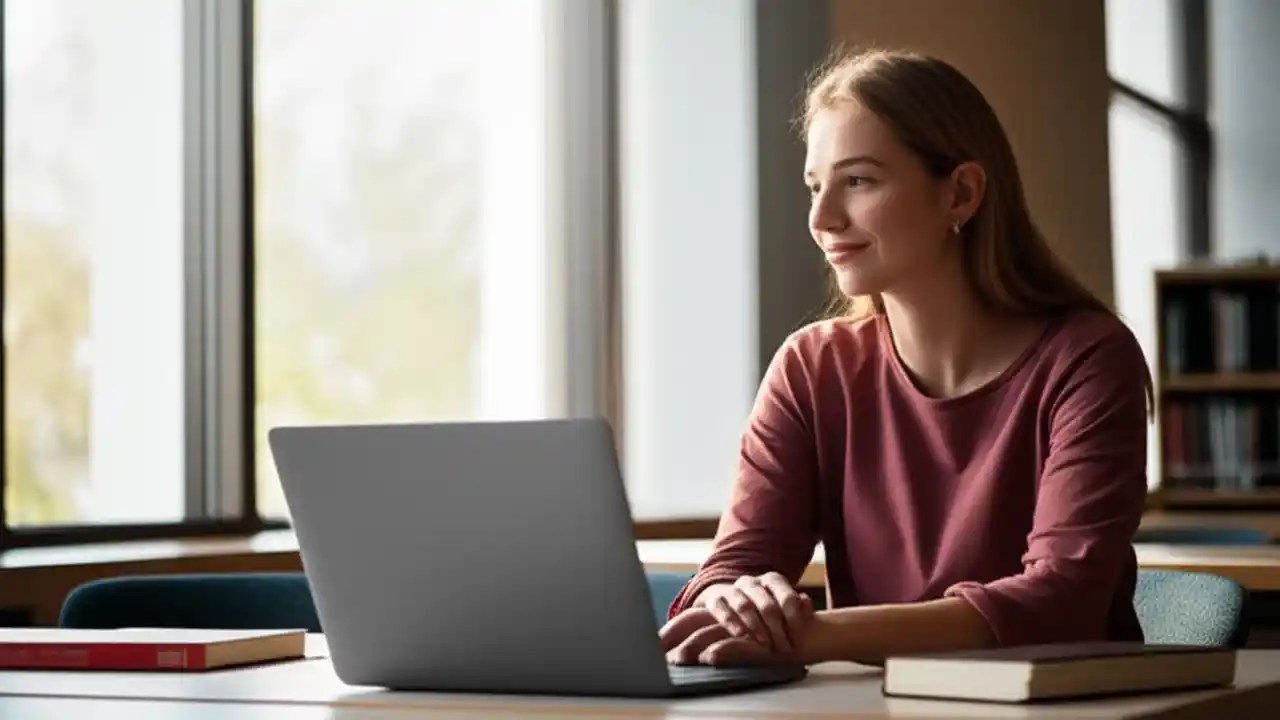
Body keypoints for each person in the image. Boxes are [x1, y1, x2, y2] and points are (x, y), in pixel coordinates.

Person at [658, 49, 1153, 667]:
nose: (821, 217)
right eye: (815, 186)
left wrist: (815, 637)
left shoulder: (1086, 359)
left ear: (961, 193)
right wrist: (735, 599)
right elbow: (733, 568)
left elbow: (1062, 600)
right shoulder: (812, 368)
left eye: (858, 181)